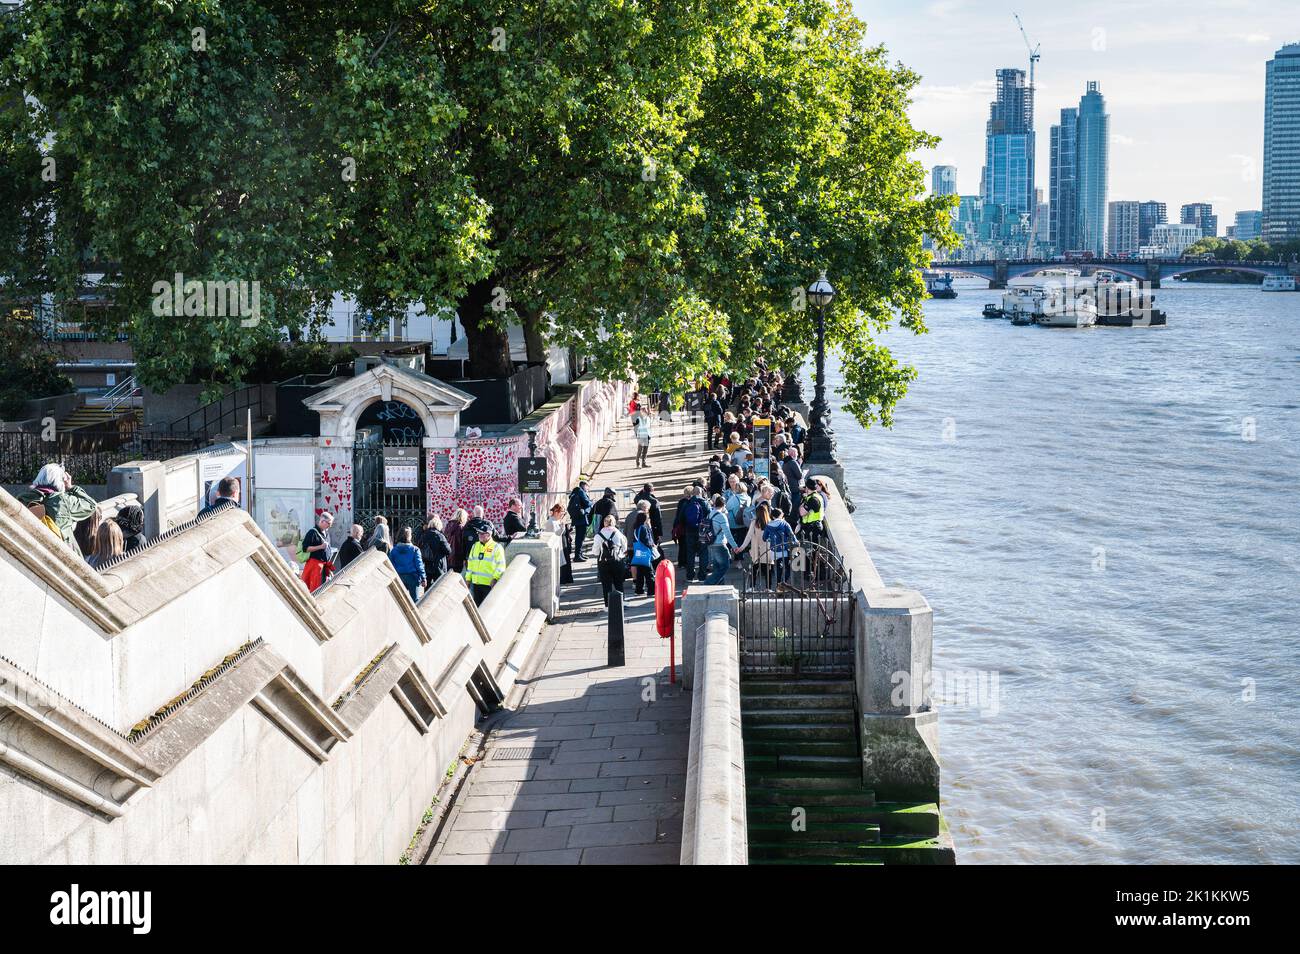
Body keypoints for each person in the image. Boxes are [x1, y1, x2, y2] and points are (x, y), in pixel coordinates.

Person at [29, 463, 98, 548]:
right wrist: (71, 487)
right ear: (61, 481)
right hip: (63, 552)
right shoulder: (63, 500)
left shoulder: (24, 499)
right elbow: (91, 505)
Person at [702, 494, 738, 585]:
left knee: (717, 567)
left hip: (710, 543)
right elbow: (728, 533)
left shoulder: (710, 513)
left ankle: (720, 585)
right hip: (720, 544)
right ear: (724, 505)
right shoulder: (722, 516)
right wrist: (734, 546)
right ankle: (708, 583)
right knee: (725, 566)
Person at [465, 525, 506, 605]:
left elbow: (501, 565)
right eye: (478, 533)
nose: (479, 535)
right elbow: (470, 564)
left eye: (482, 533)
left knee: (487, 607)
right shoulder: (475, 546)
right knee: (477, 607)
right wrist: (468, 579)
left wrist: (495, 578)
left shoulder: (497, 547)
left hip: (489, 585)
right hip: (476, 583)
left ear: (489, 534)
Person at [737, 502, 775, 588]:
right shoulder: (771, 522)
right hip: (767, 550)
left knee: (754, 570)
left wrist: (742, 547)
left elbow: (748, 536)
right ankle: (768, 588)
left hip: (756, 550)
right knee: (767, 571)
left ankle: (752, 587)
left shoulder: (754, 522)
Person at [593, 514, 628, 607]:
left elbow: (595, 552)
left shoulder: (598, 536)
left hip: (603, 562)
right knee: (619, 583)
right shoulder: (619, 534)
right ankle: (621, 604)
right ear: (614, 523)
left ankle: (608, 606)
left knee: (606, 585)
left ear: (604, 523)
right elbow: (624, 549)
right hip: (617, 561)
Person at [677, 487, 709, 581]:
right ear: (701, 492)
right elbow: (710, 515)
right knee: (703, 553)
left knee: (690, 553)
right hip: (702, 530)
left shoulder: (687, 502)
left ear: (693, 493)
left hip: (690, 530)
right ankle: (702, 576)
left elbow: (680, 517)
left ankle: (690, 576)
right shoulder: (704, 502)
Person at [389, 527, 427, 603]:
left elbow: (391, 565)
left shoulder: (394, 550)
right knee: (415, 600)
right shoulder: (415, 549)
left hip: (399, 577)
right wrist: (423, 578)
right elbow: (419, 565)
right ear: (409, 536)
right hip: (413, 577)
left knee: (400, 601)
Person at [628, 503, 658, 596]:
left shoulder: (636, 528)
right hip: (645, 553)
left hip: (638, 553)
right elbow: (646, 540)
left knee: (640, 573)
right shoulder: (643, 528)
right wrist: (652, 546)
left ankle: (639, 590)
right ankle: (651, 591)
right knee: (649, 573)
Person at [300, 512, 335, 592]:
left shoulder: (326, 533)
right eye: (329, 523)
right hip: (314, 566)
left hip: (323, 566)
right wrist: (320, 547)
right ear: (322, 521)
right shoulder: (312, 532)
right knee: (314, 590)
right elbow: (305, 548)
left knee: (321, 589)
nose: (330, 526)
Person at [762, 507, 797, 586]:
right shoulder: (784, 523)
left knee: (778, 568)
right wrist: (796, 543)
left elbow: (764, 538)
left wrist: (770, 539)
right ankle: (784, 582)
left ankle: (778, 584)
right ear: (781, 515)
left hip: (774, 550)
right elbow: (791, 535)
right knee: (787, 568)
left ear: (773, 516)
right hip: (784, 549)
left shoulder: (768, 525)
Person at [417, 515, 451, 585]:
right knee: (439, 587)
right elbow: (448, 551)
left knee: (427, 587)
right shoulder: (440, 536)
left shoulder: (424, 535)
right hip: (439, 566)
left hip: (427, 565)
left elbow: (419, 547)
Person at [567, 480, 593, 562]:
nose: (588, 488)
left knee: (579, 537)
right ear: (584, 485)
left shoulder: (576, 492)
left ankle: (580, 554)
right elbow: (587, 503)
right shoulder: (581, 492)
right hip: (582, 518)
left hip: (577, 518)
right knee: (580, 538)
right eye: (587, 486)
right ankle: (577, 556)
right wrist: (591, 502)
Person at [798, 477, 825, 544]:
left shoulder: (812, 499)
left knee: (812, 549)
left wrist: (803, 503)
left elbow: (801, 513)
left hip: (813, 527)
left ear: (807, 488)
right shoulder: (818, 496)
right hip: (815, 526)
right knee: (814, 548)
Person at [447, 508, 469, 572]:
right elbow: (462, 544)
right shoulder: (461, 527)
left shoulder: (448, 525)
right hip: (458, 557)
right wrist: (465, 558)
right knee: (456, 576)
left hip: (448, 557)